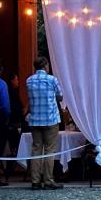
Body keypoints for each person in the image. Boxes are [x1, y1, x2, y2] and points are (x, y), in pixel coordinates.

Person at [26, 56, 64, 190]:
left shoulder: (29, 81)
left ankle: (35, 181)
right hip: (50, 119)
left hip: (35, 119)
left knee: (36, 149)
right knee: (49, 150)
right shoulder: (52, 79)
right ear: (46, 66)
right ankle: (48, 180)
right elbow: (60, 96)